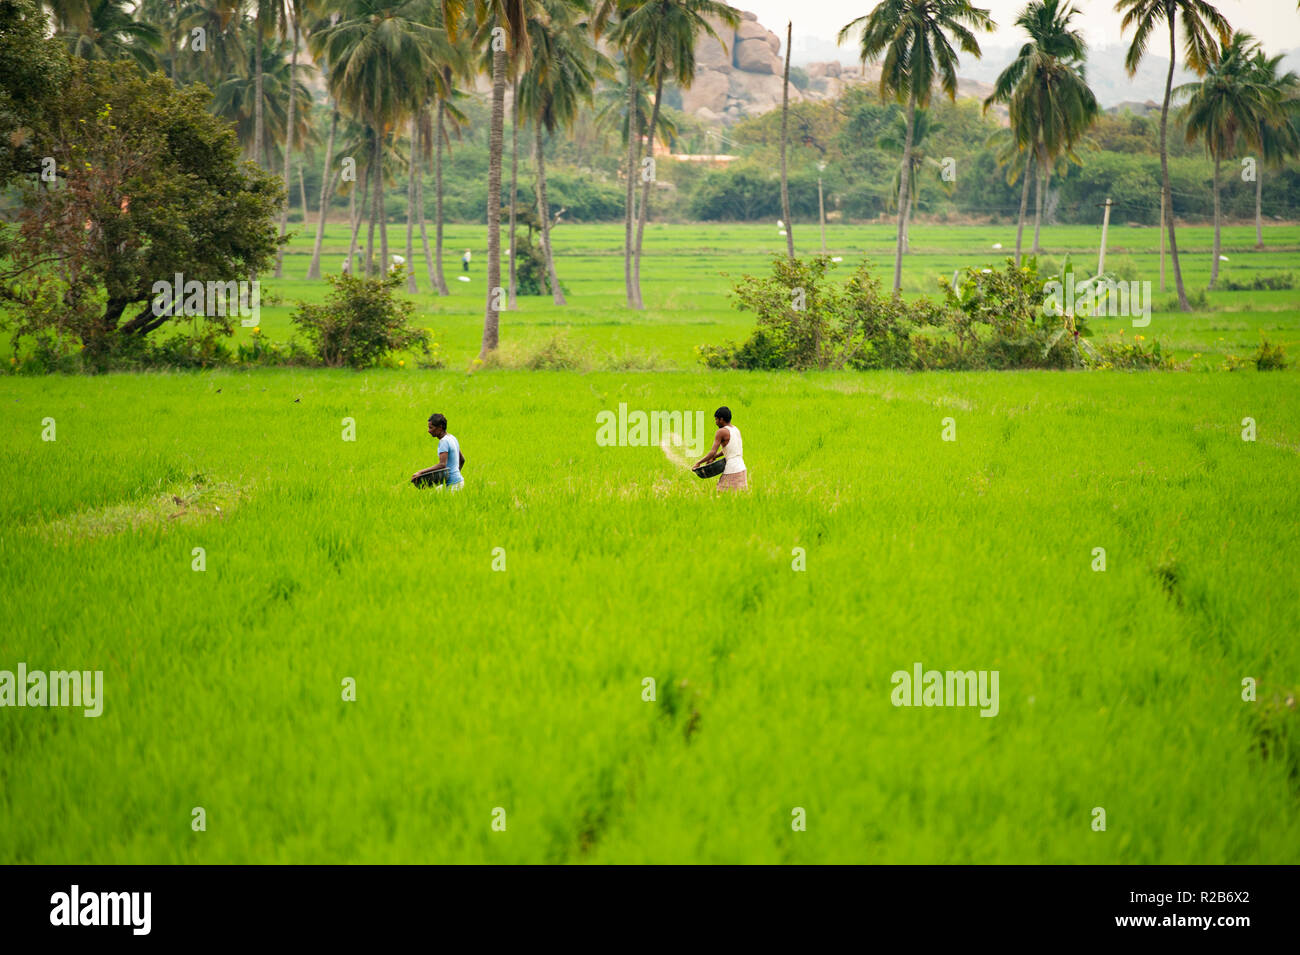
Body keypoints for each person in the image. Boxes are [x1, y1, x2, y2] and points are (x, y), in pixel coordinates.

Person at [693, 406, 747, 491]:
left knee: (720, 494)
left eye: (716, 419)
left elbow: (712, 451)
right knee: (739, 497)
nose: (716, 422)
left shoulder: (721, 432)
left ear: (721, 419)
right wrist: (715, 457)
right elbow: (729, 448)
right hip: (742, 468)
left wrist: (699, 462)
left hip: (732, 469)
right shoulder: (736, 429)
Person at [411, 413, 465, 491]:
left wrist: (420, 472)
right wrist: (456, 475)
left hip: (452, 486)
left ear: (440, 428)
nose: (428, 431)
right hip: (459, 482)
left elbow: (442, 464)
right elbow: (462, 460)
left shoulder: (443, 442)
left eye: (431, 428)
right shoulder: (452, 438)